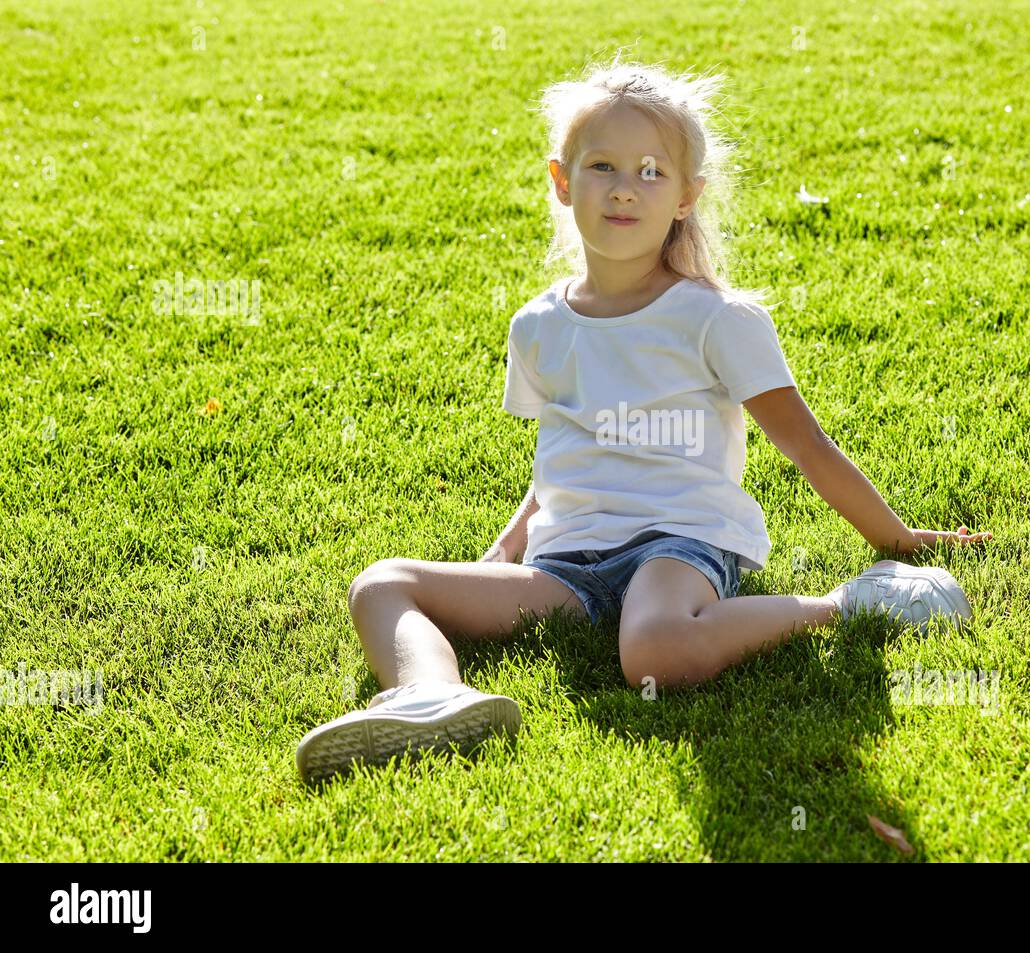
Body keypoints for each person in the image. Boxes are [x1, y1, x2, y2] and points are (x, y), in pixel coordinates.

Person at [296, 55, 992, 785]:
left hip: (678, 547)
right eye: (602, 166)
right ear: (562, 182)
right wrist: (505, 552)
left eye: (652, 171)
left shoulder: (716, 319)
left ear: (687, 196)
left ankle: (844, 603)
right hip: (567, 568)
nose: (626, 188)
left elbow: (806, 446)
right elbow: (563, 456)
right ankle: (431, 693)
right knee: (380, 584)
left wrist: (897, 540)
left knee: (653, 652)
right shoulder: (539, 325)